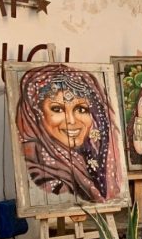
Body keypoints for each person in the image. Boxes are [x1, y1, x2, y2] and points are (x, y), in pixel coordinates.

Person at [16, 64, 124, 203]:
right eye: (57, 109)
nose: (71, 121)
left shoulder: (96, 156)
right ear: (36, 113)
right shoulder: (37, 168)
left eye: (81, 109)